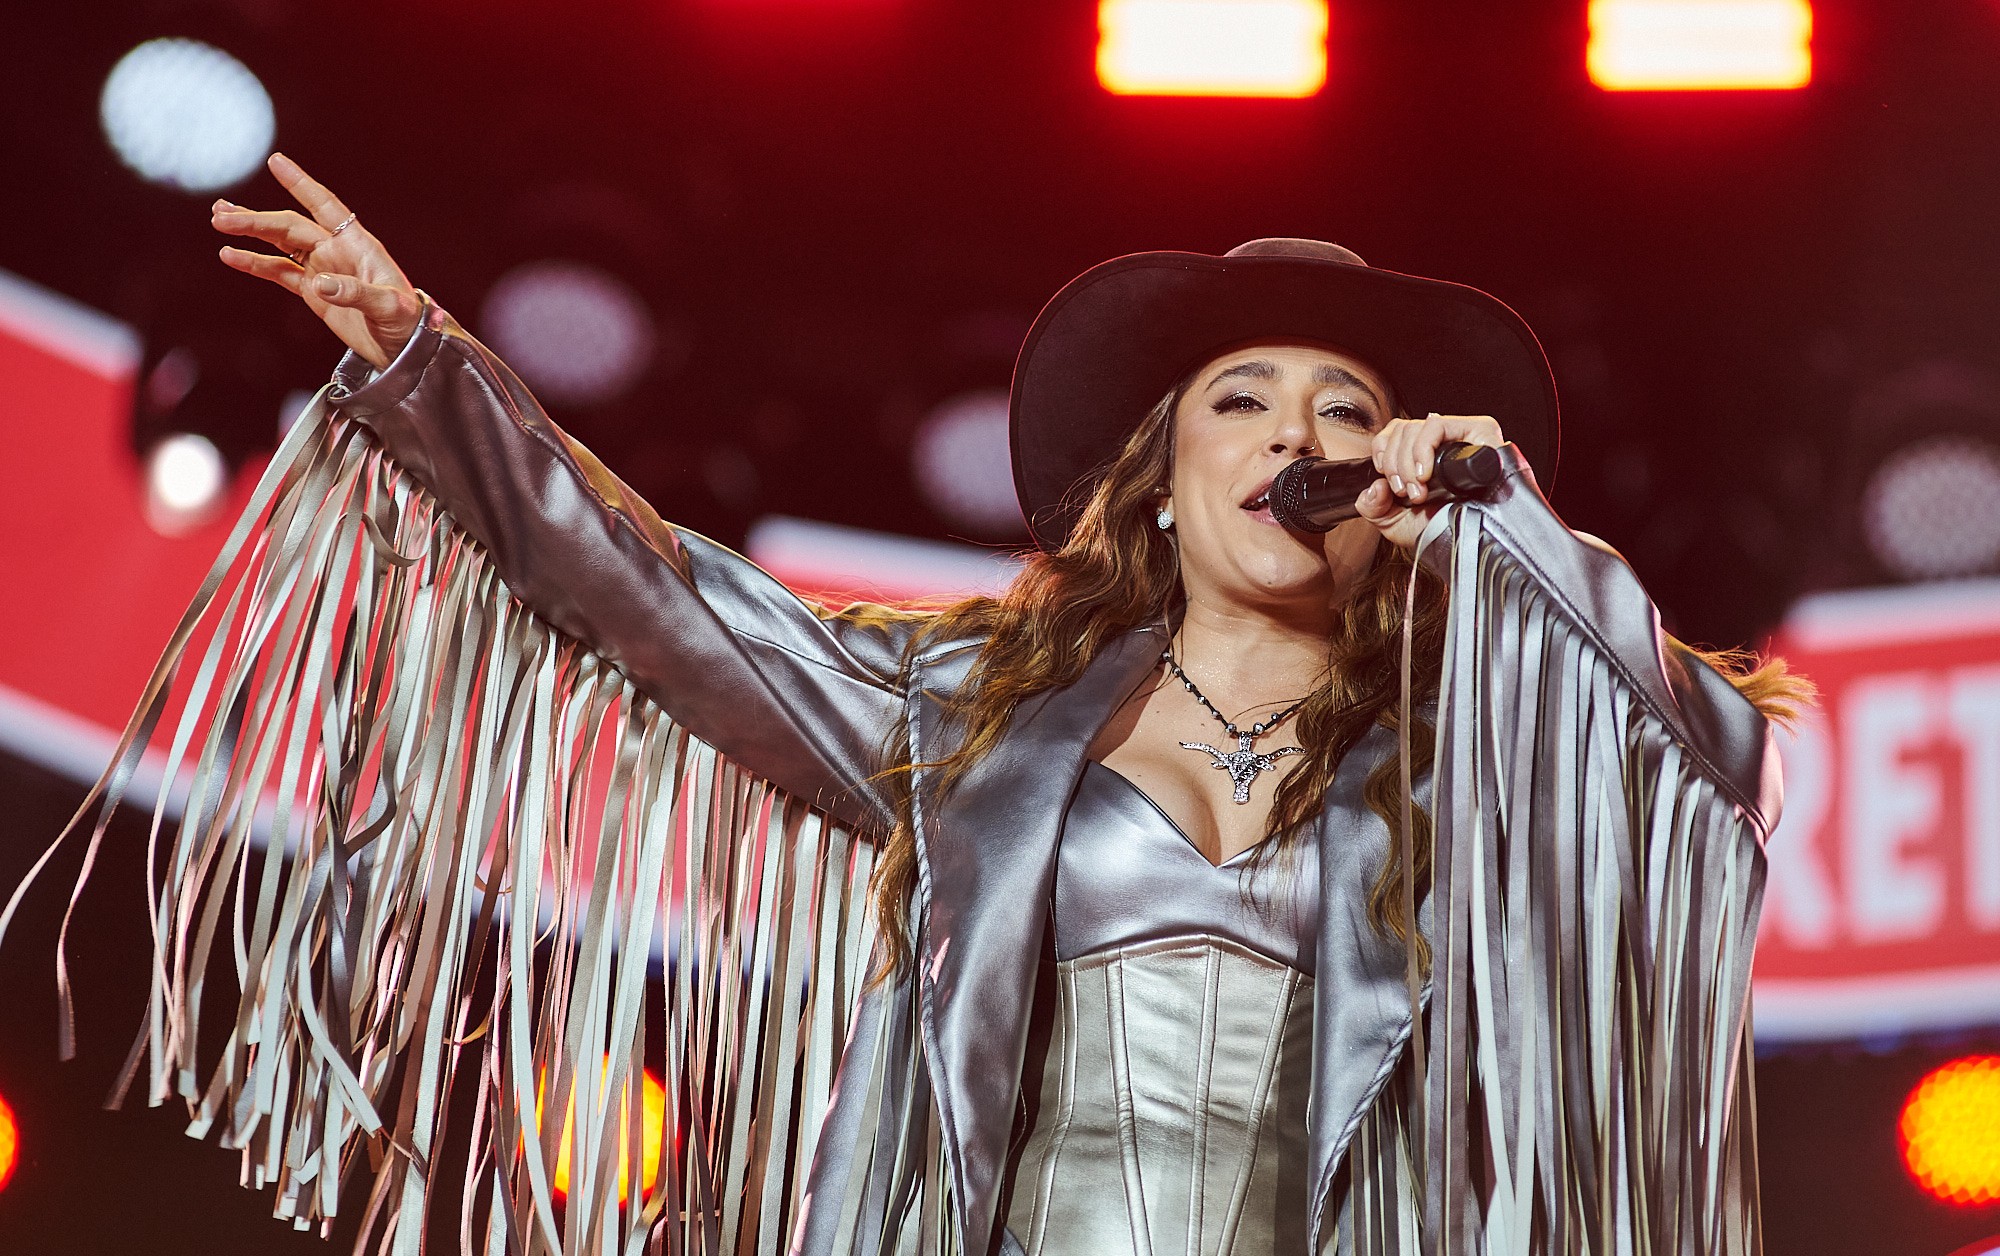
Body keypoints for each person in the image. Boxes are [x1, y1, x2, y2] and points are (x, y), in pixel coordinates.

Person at [17, 151, 1805, 1256]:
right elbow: (658, 596)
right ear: (1160, 485)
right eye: (1243, 401)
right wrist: (424, 360)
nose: (1300, 436)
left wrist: (1508, 524)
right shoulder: (981, 709)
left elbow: (1706, 766)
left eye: (1346, 409)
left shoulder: (1474, 751)